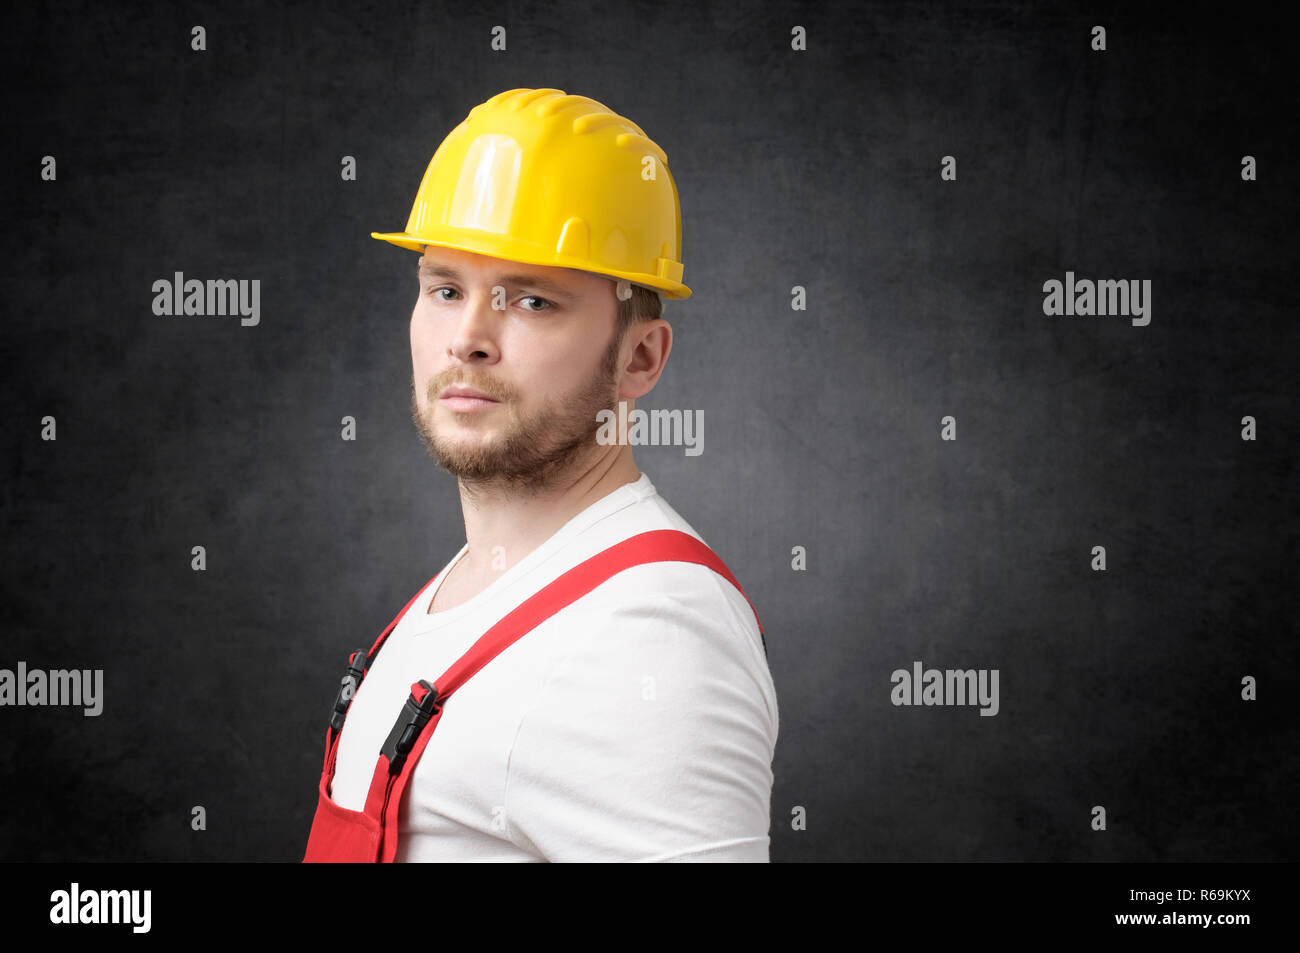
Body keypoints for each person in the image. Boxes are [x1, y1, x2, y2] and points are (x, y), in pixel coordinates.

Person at [304, 87, 778, 862]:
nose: (468, 339)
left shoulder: (649, 635)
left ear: (640, 357)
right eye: (446, 288)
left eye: (531, 300)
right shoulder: (472, 584)